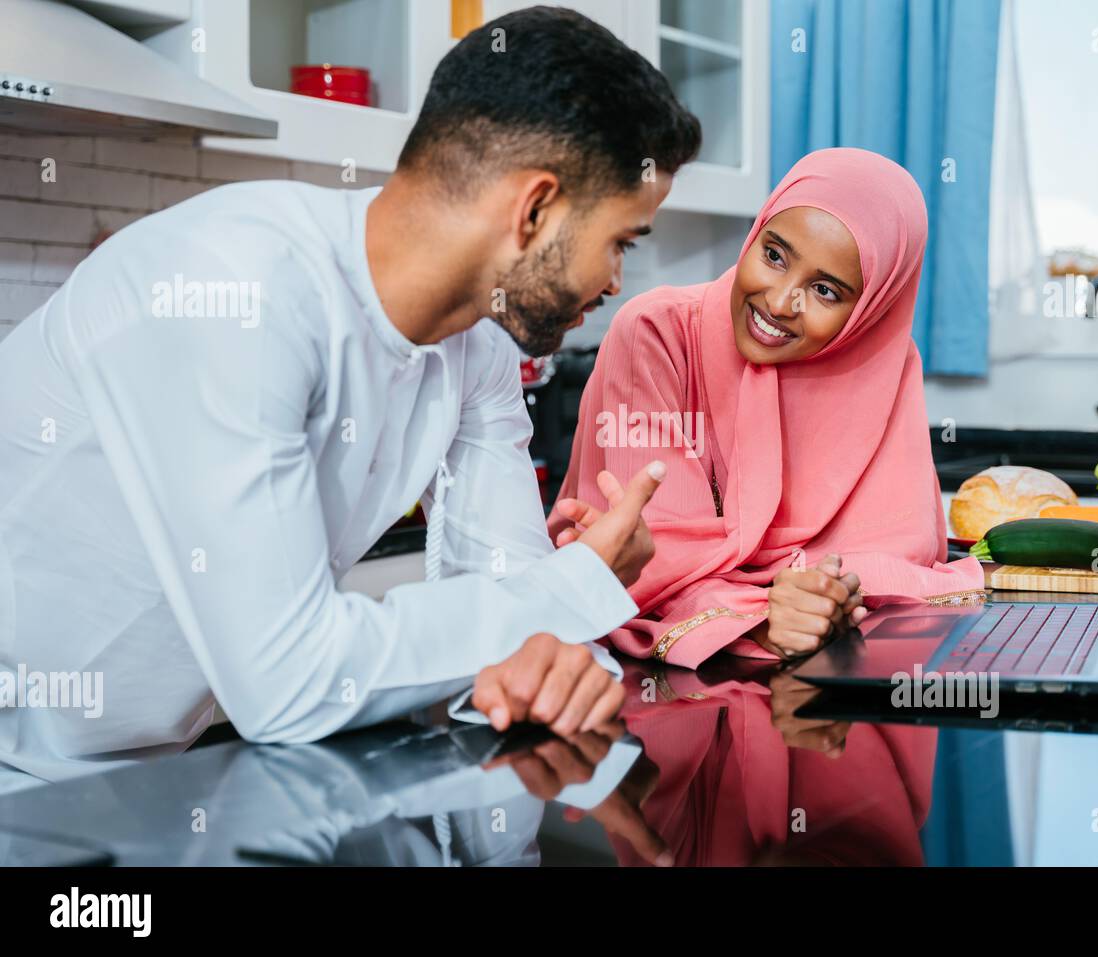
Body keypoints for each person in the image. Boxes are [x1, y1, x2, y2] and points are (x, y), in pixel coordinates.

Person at [0, 6, 701, 785]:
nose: (615, 282)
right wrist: (575, 588)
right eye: (621, 242)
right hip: (21, 770)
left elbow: (510, 611)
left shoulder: (479, 349)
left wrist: (542, 652)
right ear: (533, 210)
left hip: (182, 766)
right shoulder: (237, 289)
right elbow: (293, 680)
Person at [548, 148, 985, 669]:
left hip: (833, 680)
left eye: (824, 290)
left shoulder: (884, 365)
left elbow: (901, 550)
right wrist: (770, 612)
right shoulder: (655, 333)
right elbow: (644, 558)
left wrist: (825, 597)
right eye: (774, 255)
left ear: (869, 313)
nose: (779, 303)